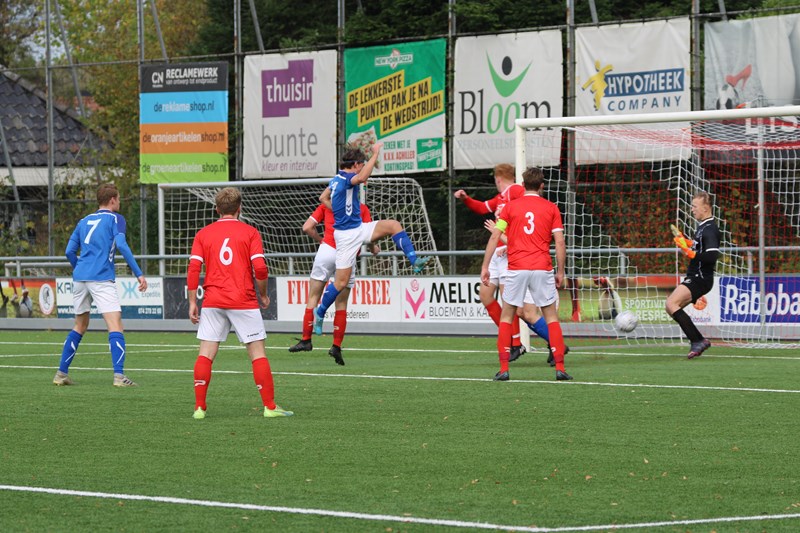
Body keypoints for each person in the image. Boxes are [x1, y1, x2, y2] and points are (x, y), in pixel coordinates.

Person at [187, 187, 292, 420]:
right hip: (243, 300)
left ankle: (199, 408)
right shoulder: (250, 232)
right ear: (240, 208)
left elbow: (194, 268)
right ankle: (270, 407)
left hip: (213, 300)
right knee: (257, 353)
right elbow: (261, 269)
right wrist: (263, 295)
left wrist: (193, 301)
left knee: (206, 353)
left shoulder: (203, 234)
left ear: (217, 209)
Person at [312, 142, 431, 334]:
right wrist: (375, 154)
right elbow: (363, 176)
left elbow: (323, 198)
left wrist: (339, 210)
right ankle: (320, 311)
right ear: (357, 164)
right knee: (341, 282)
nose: (362, 168)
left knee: (393, 225)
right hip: (346, 237)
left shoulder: (335, 179)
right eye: (362, 164)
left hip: (358, 228)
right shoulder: (345, 179)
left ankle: (414, 261)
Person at [455, 163, 559, 364]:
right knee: (486, 295)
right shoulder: (501, 197)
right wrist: (466, 199)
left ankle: (541, 344)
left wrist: (509, 236)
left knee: (517, 309)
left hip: (512, 253)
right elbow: (482, 207)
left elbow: (530, 210)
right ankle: (515, 343)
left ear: (498, 178)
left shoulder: (517, 191)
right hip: (498, 253)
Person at [481, 167, 572, 382]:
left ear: (523, 185)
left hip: (516, 267)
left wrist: (485, 266)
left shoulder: (510, 207)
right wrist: (560, 271)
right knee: (550, 317)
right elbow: (559, 241)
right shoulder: (551, 208)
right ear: (542, 186)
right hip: (541, 267)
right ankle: (560, 368)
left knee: (507, 315)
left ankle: (504, 369)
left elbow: (495, 237)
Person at [54, 183, 147, 387]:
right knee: (115, 325)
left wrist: (80, 268)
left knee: (80, 325)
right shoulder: (116, 219)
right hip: (101, 277)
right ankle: (119, 376)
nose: (120, 202)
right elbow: (121, 245)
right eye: (119, 199)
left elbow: (69, 251)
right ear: (112, 200)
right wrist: (139, 274)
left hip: (80, 278)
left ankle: (61, 374)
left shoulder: (83, 221)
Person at [288, 202, 379, 365]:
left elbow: (307, 227)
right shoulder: (361, 208)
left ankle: (306, 340)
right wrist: (373, 248)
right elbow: (368, 236)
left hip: (327, 250)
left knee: (313, 297)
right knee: (342, 304)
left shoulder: (327, 204)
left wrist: (321, 240)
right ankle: (336, 346)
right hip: (348, 254)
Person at [666, 192, 721, 359]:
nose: (692, 210)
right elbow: (701, 248)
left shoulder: (710, 228)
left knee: (671, 303)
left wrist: (689, 252)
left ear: (705, 208)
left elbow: (711, 256)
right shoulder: (703, 226)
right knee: (671, 306)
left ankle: (698, 340)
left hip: (700, 277)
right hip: (697, 276)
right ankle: (697, 340)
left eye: (694, 206)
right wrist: (688, 242)